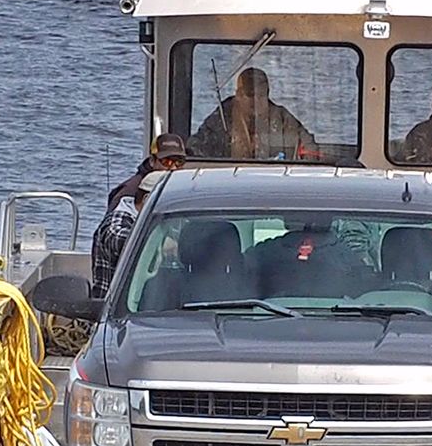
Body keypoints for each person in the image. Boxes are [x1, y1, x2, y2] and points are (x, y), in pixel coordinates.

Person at [90, 134, 186, 297]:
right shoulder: (127, 194)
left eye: (179, 162)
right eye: (167, 162)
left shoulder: (174, 188)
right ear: (152, 161)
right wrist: (164, 243)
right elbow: (117, 239)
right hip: (114, 299)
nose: (173, 168)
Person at [191, 67, 319, 161]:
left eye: (261, 95)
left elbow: (309, 146)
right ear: (239, 95)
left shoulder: (282, 118)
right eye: (250, 95)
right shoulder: (221, 118)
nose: (256, 100)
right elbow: (195, 148)